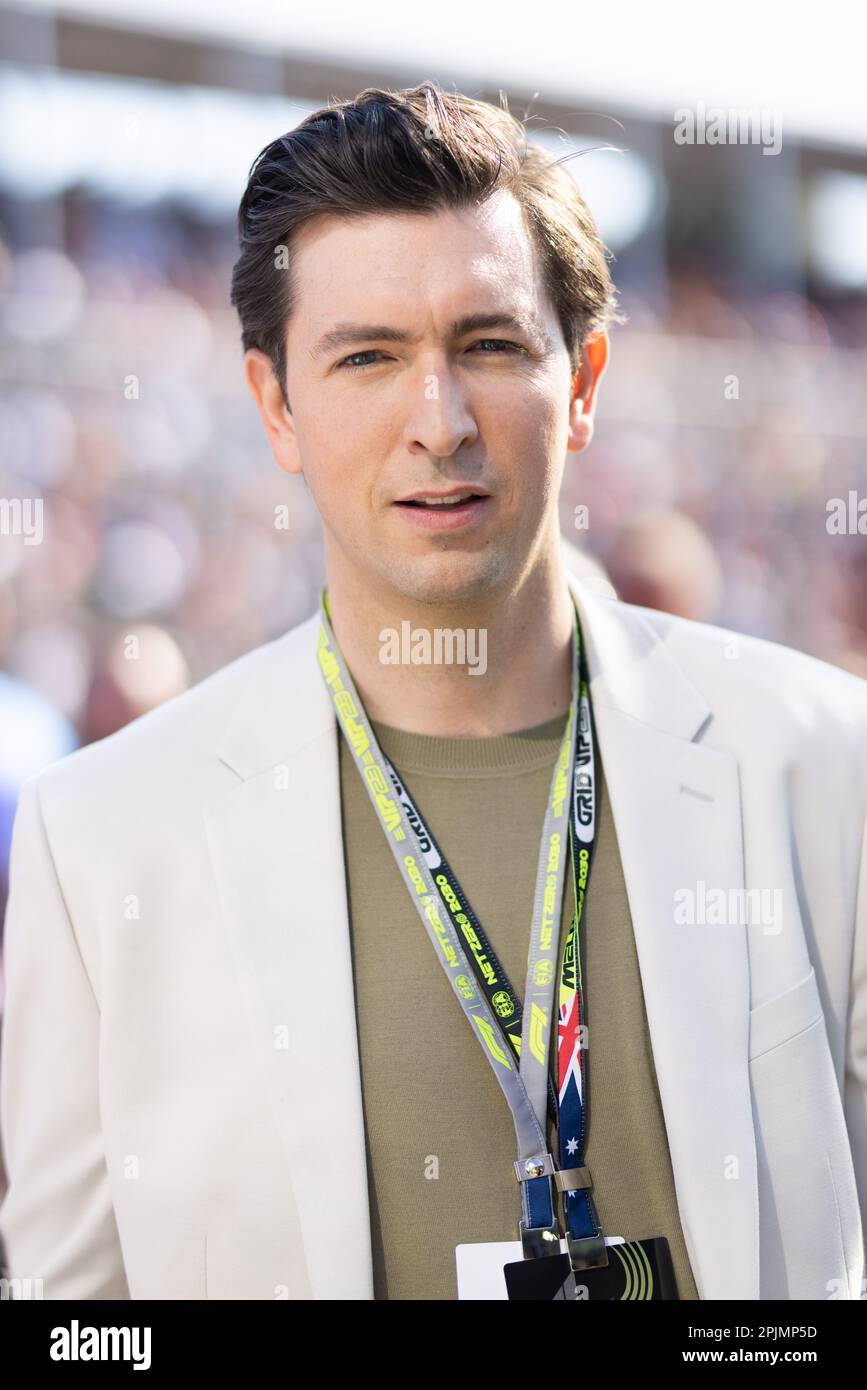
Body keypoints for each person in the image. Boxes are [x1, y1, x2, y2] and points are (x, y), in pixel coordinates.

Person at [0, 80, 865, 1302]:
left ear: (584, 380)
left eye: (491, 344)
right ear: (275, 406)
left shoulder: (828, 766)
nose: (439, 421)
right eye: (368, 357)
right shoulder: (102, 842)